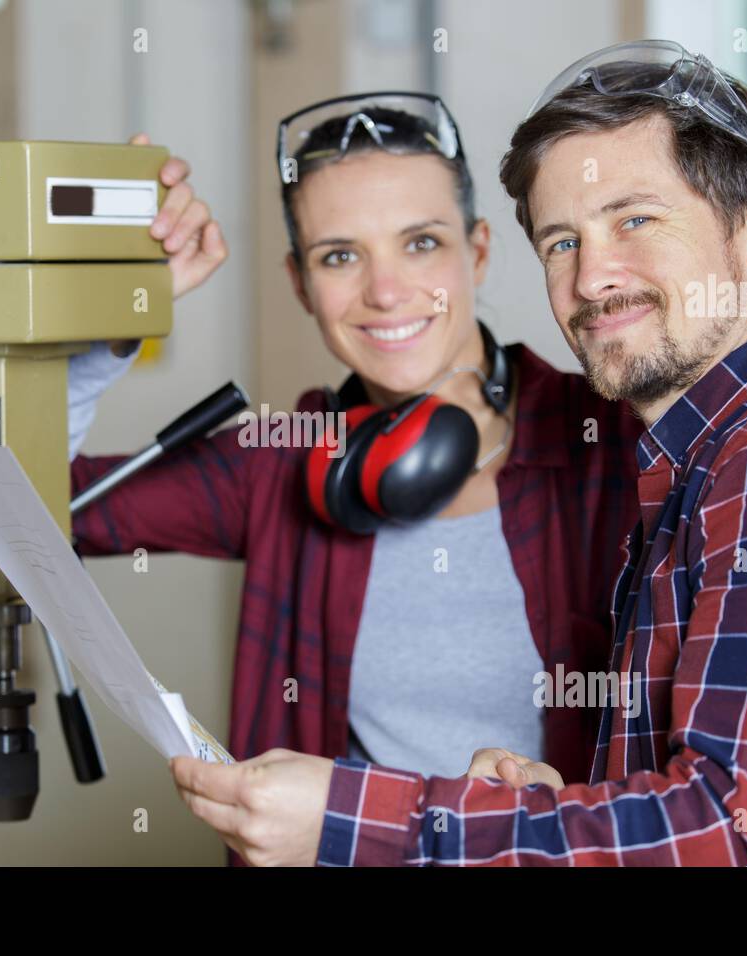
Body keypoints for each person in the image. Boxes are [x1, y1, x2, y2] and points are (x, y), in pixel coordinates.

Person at [169, 40, 747, 867]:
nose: (593, 277)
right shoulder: (696, 464)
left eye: (634, 219)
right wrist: (555, 806)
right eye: (561, 242)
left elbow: (725, 834)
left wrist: (347, 818)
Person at [70, 94, 641, 792]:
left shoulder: (619, 438)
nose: (386, 291)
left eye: (422, 242)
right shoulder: (282, 459)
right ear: (301, 286)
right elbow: (37, 506)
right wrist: (115, 319)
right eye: (340, 256)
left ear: (479, 251)